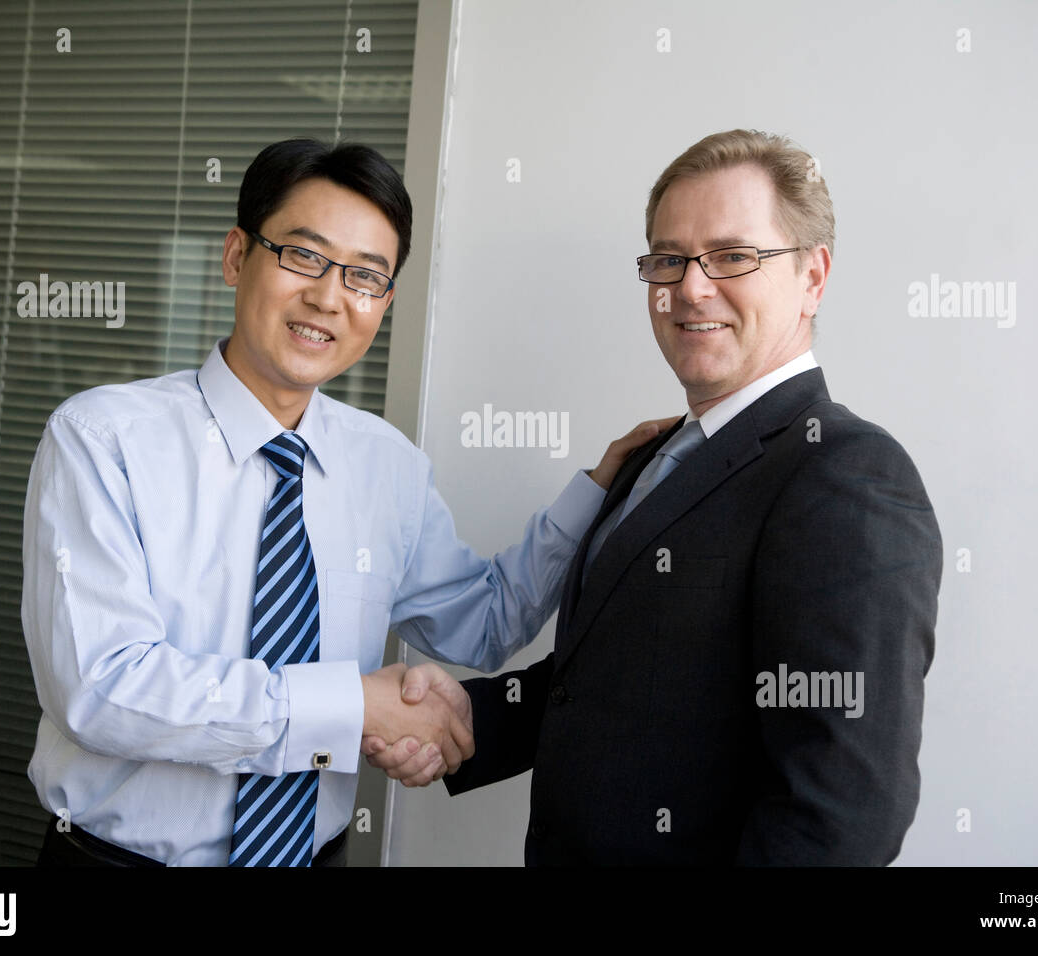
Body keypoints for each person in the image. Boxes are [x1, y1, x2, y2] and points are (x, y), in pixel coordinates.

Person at [21, 137, 667, 867]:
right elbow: (102, 688)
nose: (329, 297)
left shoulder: (385, 465)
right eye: (303, 255)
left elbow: (482, 623)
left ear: (383, 303)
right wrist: (354, 706)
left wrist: (596, 492)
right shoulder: (103, 438)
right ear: (238, 257)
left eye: (365, 276)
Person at [365, 129, 944, 865]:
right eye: (669, 258)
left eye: (733, 256)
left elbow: (841, 812)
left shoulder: (847, 475)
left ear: (813, 277)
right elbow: (611, 680)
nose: (691, 287)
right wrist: (470, 721)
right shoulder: (651, 457)